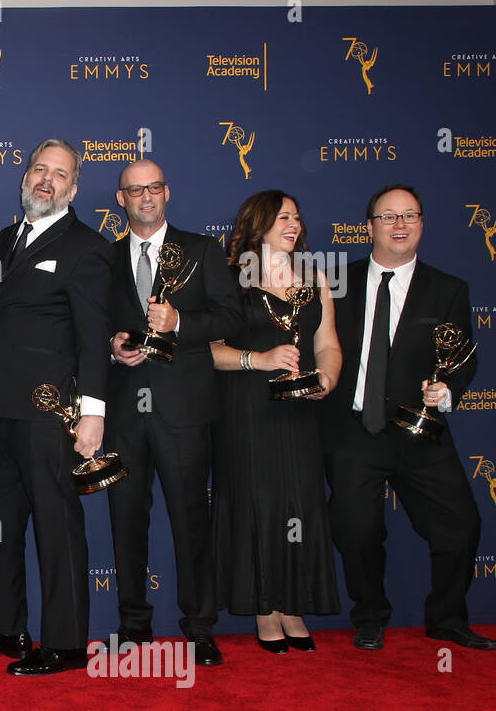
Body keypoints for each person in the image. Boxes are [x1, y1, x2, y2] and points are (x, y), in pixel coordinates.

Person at [0, 140, 113, 675]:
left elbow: (94, 335)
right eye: (40, 169)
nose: (47, 180)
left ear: (74, 189)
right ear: (25, 178)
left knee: (57, 527)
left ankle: (64, 643)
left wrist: (94, 410)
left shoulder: (87, 246)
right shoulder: (8, 239)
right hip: (4, 411)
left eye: (60, 174)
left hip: (51, 413)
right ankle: (2, 629)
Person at [318, 184, 494, 651]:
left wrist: (449, 388)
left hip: (420, 431)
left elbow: (463, 357)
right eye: (389, 216)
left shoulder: (450, 288)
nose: (400, 225)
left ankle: (447, 618)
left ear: (422, 224)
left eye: (410, 216)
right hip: (353, 431)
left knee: (462, 524)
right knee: (355, 530)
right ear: (370, 226)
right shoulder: (334, 280)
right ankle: (371, 615)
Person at [106, 159, 242, 666]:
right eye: (135, 190)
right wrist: (112, 346)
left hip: (184, 409)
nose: (146, 197)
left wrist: (181, 320)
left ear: (168, 192)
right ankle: (133, 625)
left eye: (154, 188)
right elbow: (95, 323)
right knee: (126, 520)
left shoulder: (202, 250)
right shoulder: (106, 256)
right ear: (120, 199)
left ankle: (200, 626)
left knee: (191, 521)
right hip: (123, 412)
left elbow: (232, 315)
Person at [211, 190, 341, 651]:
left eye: (298, 217)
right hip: (246, 409)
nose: (295, 224)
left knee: (300, 504)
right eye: (285, 216)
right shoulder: (230, 278)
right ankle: (265, 608)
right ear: (259, 222)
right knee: (257, 502)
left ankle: (294, 603)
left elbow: (327, 341)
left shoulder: (315, 276)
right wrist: (258, 359)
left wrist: (328, 375)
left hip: (299, 411)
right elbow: (206, 349)